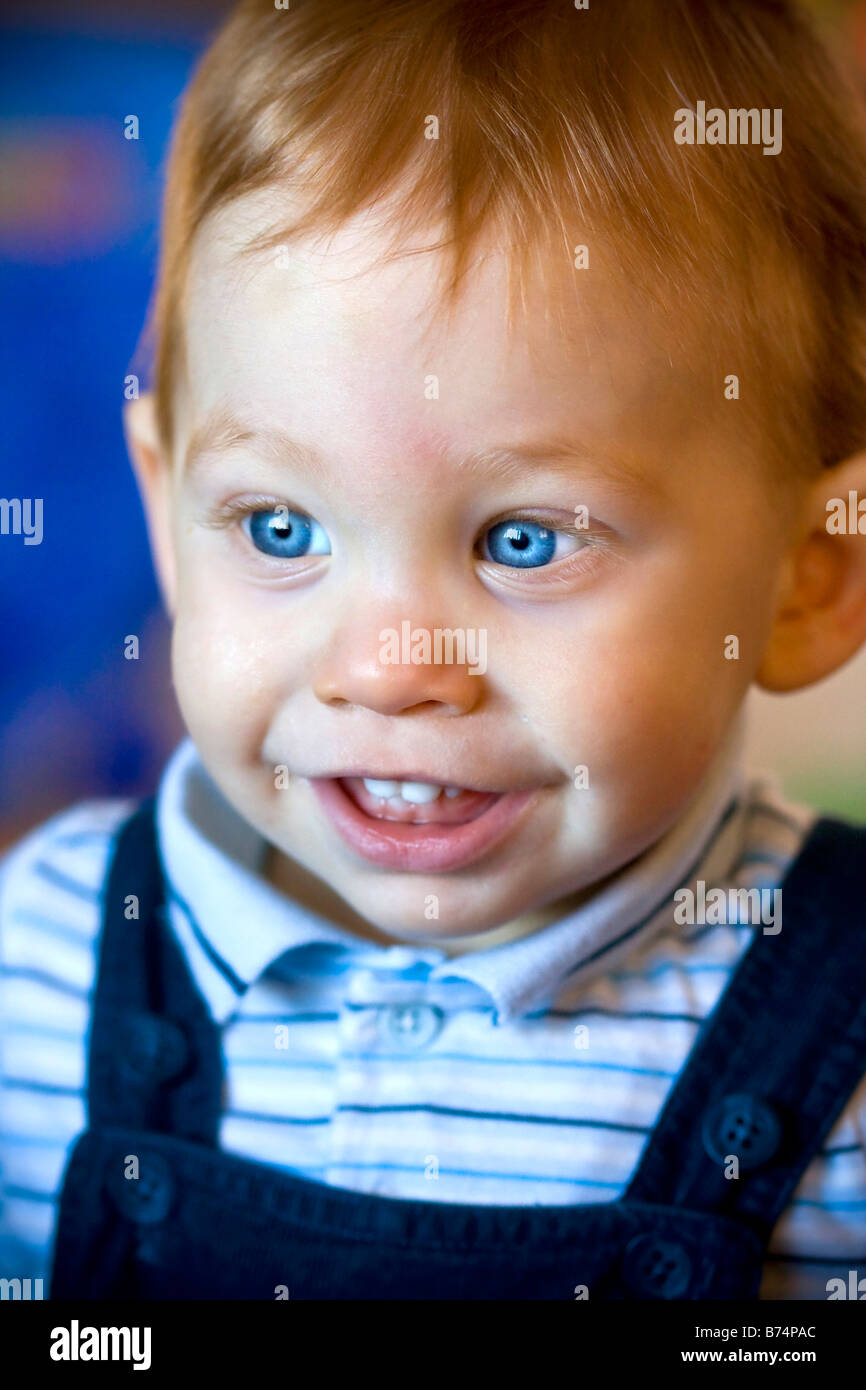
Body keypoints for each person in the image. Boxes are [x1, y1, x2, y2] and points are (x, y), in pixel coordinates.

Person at [3, 0, 866, 1300]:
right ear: (168, 514)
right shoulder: (42, 962)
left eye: (524, 540)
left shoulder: (841, 1044)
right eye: (280, 527)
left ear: (810, 578)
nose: (389, 667)